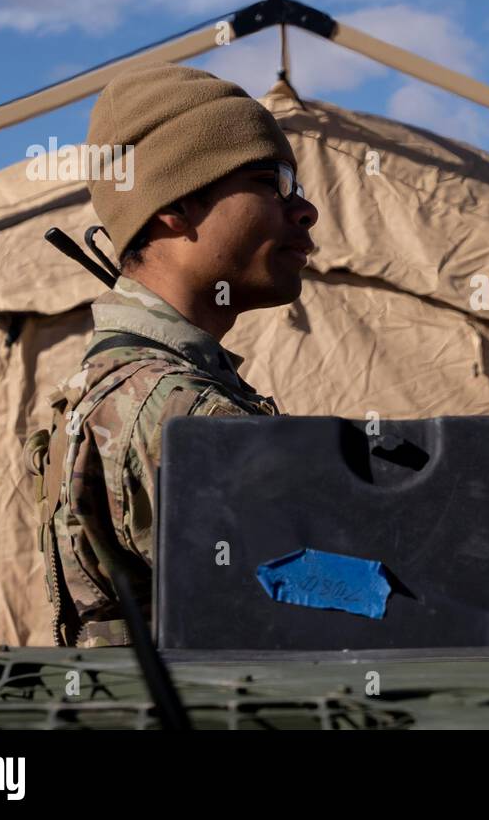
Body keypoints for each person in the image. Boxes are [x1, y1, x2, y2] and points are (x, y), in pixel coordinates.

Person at [27, 64, 319, 647]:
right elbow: (317, 608)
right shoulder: (180, 411)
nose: (304, 210)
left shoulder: (126, 383)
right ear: (174, 207)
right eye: (272, 180)